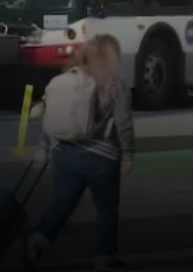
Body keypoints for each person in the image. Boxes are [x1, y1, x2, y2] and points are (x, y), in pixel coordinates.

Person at [24, 34, 134, 271]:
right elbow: (123, 122)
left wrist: (43, 148)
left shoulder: (65, 79)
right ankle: (104, 259)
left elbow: (51, 116)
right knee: (106, 208)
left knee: (62, 204)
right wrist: (127, 154)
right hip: (101, 157)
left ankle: (38, 242)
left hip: (63, 154)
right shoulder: (114, 82)